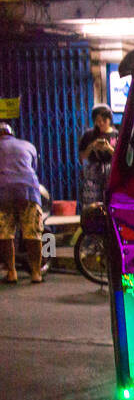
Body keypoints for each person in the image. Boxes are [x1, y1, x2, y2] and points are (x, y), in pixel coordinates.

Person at [0, 121, 44, 284]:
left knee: (5, 235)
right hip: (29, 191)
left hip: (3, 193)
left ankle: (12, 272)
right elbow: (33, 168)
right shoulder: (28, 145)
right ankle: (36, 273)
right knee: (33, 233)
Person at [78, 104, 116, 211]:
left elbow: (120, 158)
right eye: (98, 121)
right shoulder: (88, 135)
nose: (101, 123)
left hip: (110, 172)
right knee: (92, 204)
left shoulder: (116, 135)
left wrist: (108, 148)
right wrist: (92, 146)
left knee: (109, 200)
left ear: (110, 120)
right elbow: (82, 157)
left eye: (104, 120)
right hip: (92, 173)